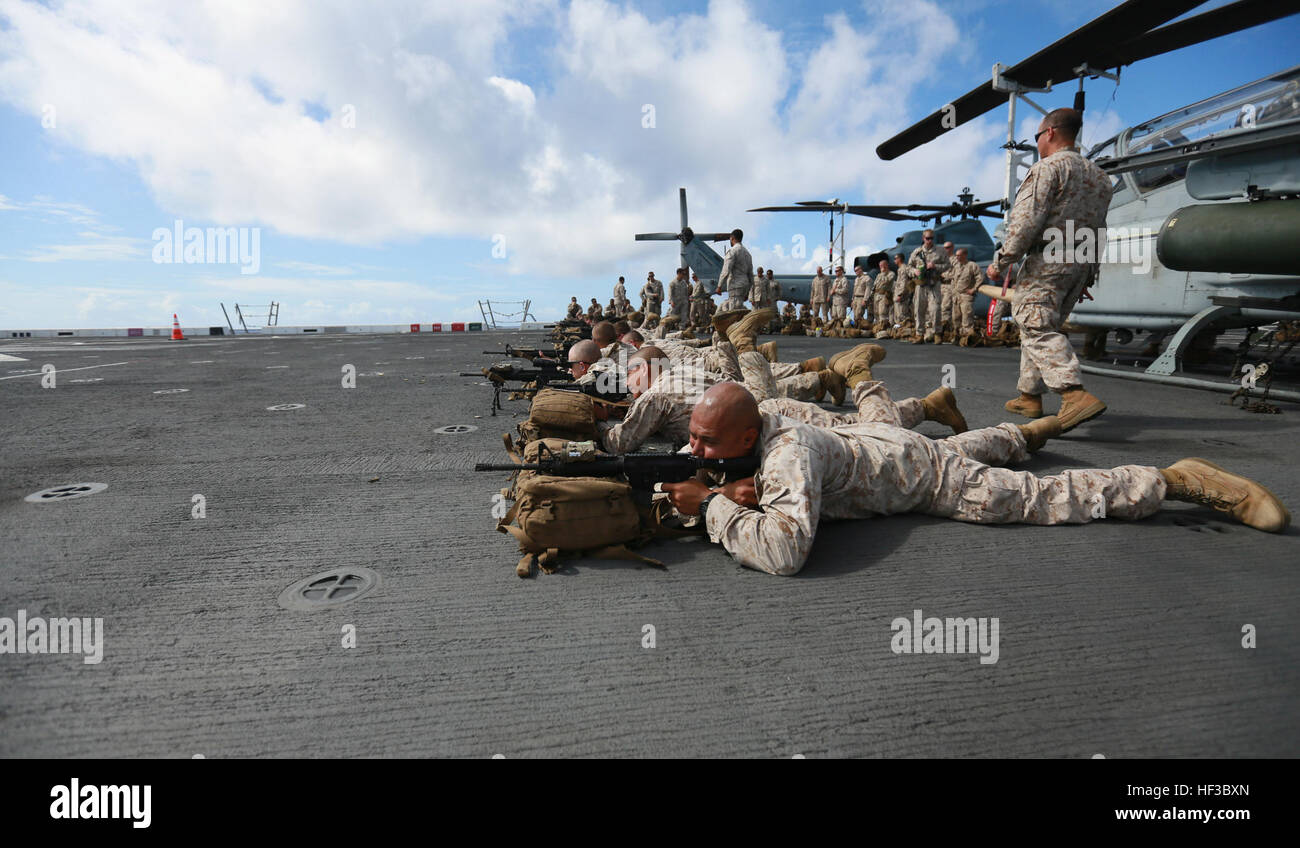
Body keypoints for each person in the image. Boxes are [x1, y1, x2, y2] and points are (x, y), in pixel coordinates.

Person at [661, 367, 1290, 576]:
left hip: (927, 479)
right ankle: (1034, 429)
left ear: (746, 437)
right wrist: (726, 480)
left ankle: (1180, 479)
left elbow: (788, 550)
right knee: (979, 442)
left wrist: (710, 507)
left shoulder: (788, 451)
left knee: (1038, 498)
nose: (694, 448)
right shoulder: (766, 412)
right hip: (888, 441)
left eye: (705, 440)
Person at [988, 106, 1111, 432]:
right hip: (1079, 262)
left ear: (1051, 133)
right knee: (1041, 324)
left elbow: (1026, 222)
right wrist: (1088, 272)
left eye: (1038, 136)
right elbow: (1101, 227)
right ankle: (1030, 396)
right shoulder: (1100, 177)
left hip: (1048, 260)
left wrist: (1001, 262)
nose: (1038, 142)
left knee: (1033, 322)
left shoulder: (1048, 169)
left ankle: (1074, 394)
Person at [594, 346, 719, 452]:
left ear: (643, 368)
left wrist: (600, 421)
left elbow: (618, 444)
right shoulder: (688, 371)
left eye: (629, 373)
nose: (627, 382)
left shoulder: (655, 395)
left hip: (723, 446)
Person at [909, 229, 948, 344]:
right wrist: (914, 271)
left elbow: (947, 265)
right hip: (920, 285)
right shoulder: (916, 252)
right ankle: (919, 334)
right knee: (919, 309)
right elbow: (908, 267)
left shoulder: (940, 251)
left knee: (935, 309)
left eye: (931, 238)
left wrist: (935, 266)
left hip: (933, 284)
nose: (929, 240)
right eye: (927, 238)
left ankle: (937, 333)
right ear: (923, 238)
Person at [950, 248, 982, 342]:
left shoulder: (972, 265)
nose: (957, 257)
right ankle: (958, 337)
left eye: (959, 255)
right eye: (956, 255)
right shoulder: (956, 266)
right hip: (956, 297)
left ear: (965, 255)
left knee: (967, 319)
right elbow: (951, 277)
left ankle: (967, 339)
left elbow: (980, 277)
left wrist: (974, 289)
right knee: (956, 318)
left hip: (966, 297)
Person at [717, 229, 753, 311]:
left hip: (735, 284)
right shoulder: (747, 253)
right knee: (739, 308)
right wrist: (749, 290)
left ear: (732, 238)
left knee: (734, 312)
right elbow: (750, 274)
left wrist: (719, 286)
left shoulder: (733, 251)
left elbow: (726, 270)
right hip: (745, 285)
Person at [891, 254, 916, 334]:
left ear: (899, 259)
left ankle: (908, 332)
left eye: (895, 258)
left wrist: (900, 294)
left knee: (903, 315)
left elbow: (904, 283)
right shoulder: (900, 269)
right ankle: (901, 332)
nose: (894, 260)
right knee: (899, 315)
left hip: (902, 297)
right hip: (898, 295)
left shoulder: (903, 269)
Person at [938, 241, 956, 342]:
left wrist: (943, 276)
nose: (946, 249)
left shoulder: (955, 260)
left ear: (952, 247)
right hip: (940, 286)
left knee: (946, 308)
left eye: (948, 247)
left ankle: (946, 332)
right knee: (939, 309)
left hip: (949, 286)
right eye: (944, 248)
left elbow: (956, 274)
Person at [871, 259, 893, 337]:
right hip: (877, 295)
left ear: (886, 265)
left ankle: (884, 331)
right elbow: (875, 285)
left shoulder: (891, 274)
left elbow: (887, 282)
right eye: (880, 266)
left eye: (882, 265)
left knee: (882, 313)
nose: (881, 267)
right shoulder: (879, 275)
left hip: (884, 295)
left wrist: (884, 273)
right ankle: (878, 329)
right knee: (876, 313)